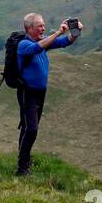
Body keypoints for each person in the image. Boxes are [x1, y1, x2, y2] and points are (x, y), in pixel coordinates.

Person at [15, 12, 81, 176]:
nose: (43, 28)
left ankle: (24, 161)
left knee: (28, 128)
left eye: (44, 25)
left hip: (40, 93)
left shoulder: (42, 42)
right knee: (32, 129)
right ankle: (22, 168)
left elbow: (65, 42)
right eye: (40, 26)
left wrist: (74, 33)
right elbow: (37, 48)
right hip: (27, 92)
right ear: (30, 28)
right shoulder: (24, 45)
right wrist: (58, 31)